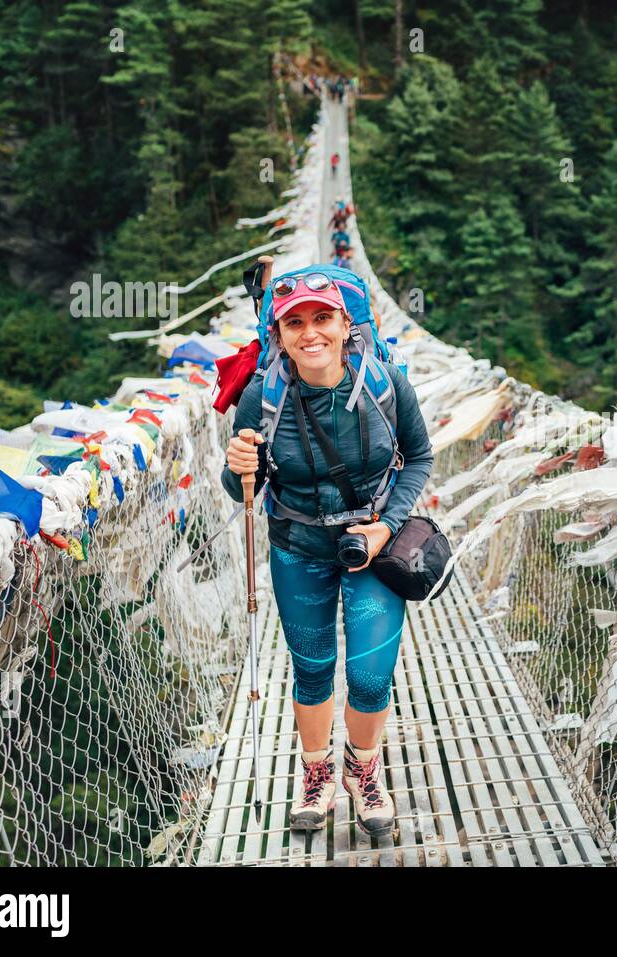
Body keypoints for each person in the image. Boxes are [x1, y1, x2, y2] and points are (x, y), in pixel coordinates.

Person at [221, 270, 434, 835]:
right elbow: (242, 487)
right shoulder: (260, 398)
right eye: (295, 323)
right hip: (297, 547)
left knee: (369, 677)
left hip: (369, 547)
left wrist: (387, 527)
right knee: (312, 671)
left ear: (346, 326)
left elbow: (419, 459)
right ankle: (316, 776)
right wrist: (239, 469)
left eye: (322, 319)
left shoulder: (387, 384)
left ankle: (363, 772)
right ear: (280, 334)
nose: (310, 333)